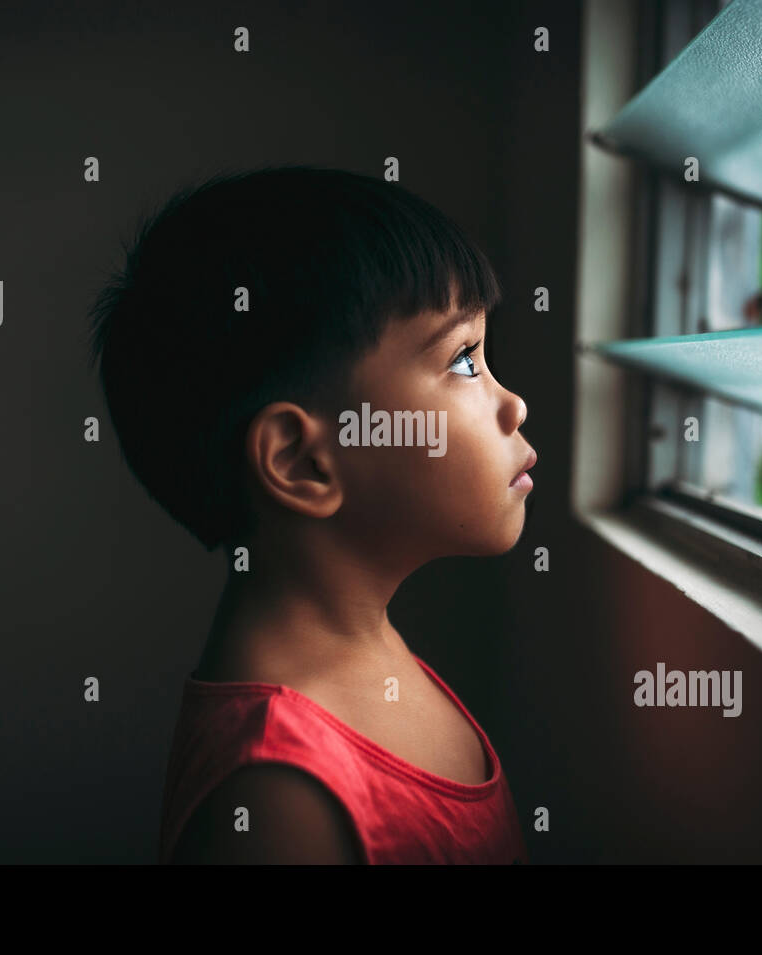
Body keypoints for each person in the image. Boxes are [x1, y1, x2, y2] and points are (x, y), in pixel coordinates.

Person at [87, 165, 535, 864]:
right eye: (463, 360)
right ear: (302, 461)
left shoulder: (363, 644)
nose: (515, 406)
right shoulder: (279, 795)